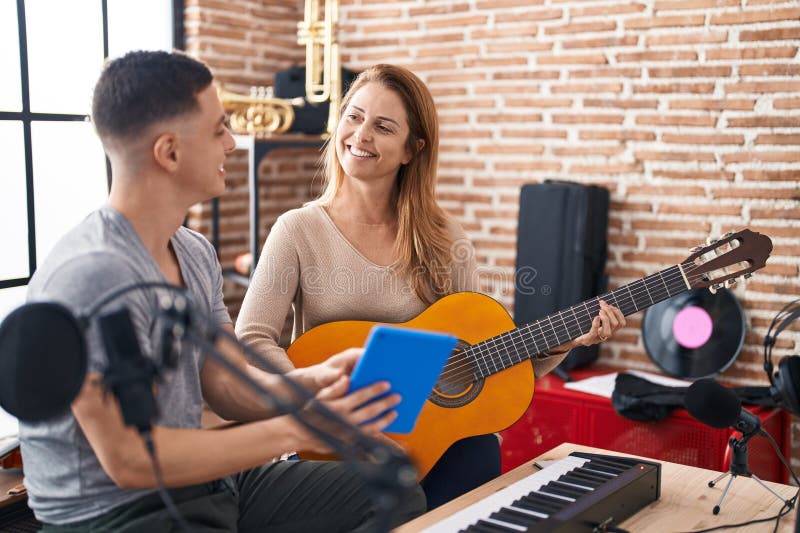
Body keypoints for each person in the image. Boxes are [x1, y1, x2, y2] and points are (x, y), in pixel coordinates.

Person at [19, 51, 426, 532]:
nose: (233, 143)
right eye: (218, 130)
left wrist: (312, 383)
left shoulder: (193, 251)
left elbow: (226, 385)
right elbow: (130, 459)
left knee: (391, 495)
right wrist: (305, 424)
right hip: (118, 514)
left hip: (207, 483)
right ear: (169, 152)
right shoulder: (92, 274)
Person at [235, 63, 625, 509]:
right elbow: (251, 338)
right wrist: (321, 405)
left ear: (411, 150)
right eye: (353, 116)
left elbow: (486, 359)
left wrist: (568, 341)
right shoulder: (297, 229)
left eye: (382, 126)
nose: (360, 135)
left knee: (480, 451)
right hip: (332, 438)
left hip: (430, 440)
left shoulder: (445, 239)